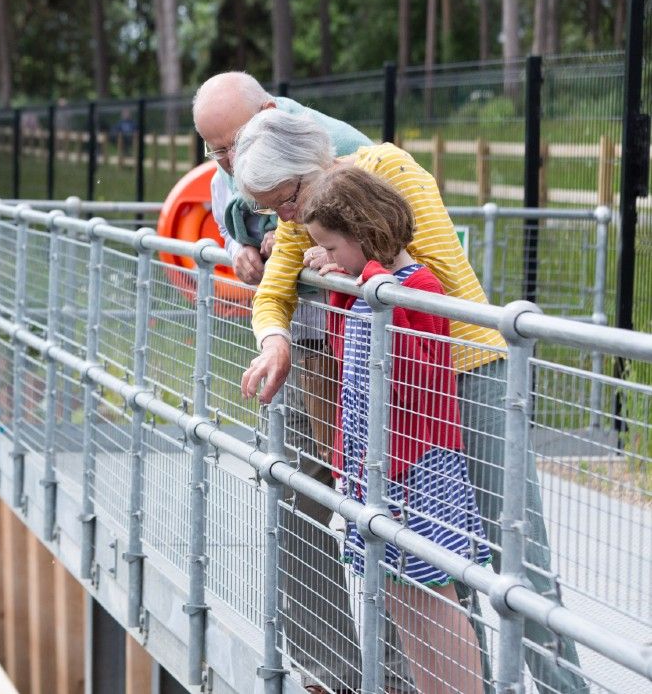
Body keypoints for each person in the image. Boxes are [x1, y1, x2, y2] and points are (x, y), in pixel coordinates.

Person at [233, 110, 589, 694]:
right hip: (406, 402)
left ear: (310, 171)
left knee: (516, 563)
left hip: (469, 375)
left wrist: (356, 271)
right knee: (441, 569)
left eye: (286, 201)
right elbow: (273, 290)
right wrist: (274, 340)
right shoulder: (312, 212)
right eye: (275, 210)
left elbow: (435, 278)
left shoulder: (382, 174)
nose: (286, 220)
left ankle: (563, 687)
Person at [194, 72, 388, 694]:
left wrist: (311, 246)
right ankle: (335, 674)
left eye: (232, 144)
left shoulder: (329, 147)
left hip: (356, 341)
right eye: (214, 149)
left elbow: (384, 229)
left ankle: (401, 675)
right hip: (303, 338)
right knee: (299, 491)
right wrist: (238, 246)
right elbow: (235, 216)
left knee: (377, 502)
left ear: (270, 113)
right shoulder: (241, 159)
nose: (225, 158)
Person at [303, 165, 492, 694]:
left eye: (332, 247)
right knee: (399, 592)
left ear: (365, 235)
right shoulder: (373, 286)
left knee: (432, 593)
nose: (327, 257)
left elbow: (410, 379)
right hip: (376, 467)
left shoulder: (418, 288)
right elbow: (349, 352)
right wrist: (343, 288)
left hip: (418, 466)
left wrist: (365, 284)